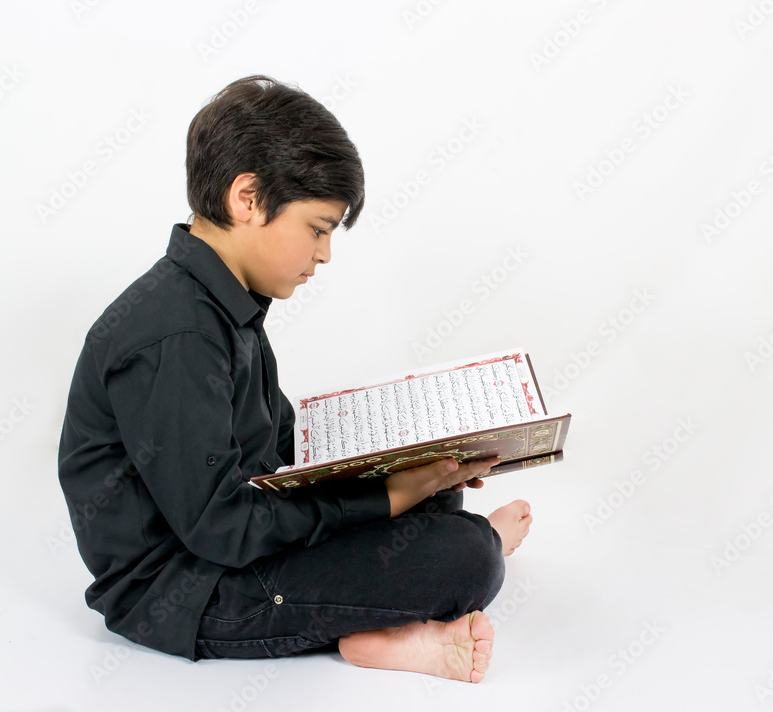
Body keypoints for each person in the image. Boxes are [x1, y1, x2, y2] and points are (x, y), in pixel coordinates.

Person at [57, 74, 533, 684]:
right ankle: (412, 605)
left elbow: (285, 444)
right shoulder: (175, 335)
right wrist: (387, 500)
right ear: (248, 198)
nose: (325, 254)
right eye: (318, 228)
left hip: (234, 546)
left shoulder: (225, 304)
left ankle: (383, 625)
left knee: (437, 488)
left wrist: (414, 458)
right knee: (466, 557)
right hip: (188, 589)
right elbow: (221, 528)